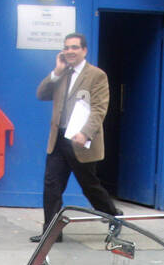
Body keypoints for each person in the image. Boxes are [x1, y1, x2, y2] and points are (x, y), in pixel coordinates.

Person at [32, 32, 118, 242]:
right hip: (59, 139)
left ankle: (114, 217)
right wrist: (56, 72)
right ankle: (51, 233)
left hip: (80, 141)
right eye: (67, 48)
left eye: (74, 48)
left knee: (90, 186)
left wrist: (85, 132)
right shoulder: (62, 73)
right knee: (51, 186)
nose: (70, 51)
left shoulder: (96, 75)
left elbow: (99, 108)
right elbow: (41, 94)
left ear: (84, 50)